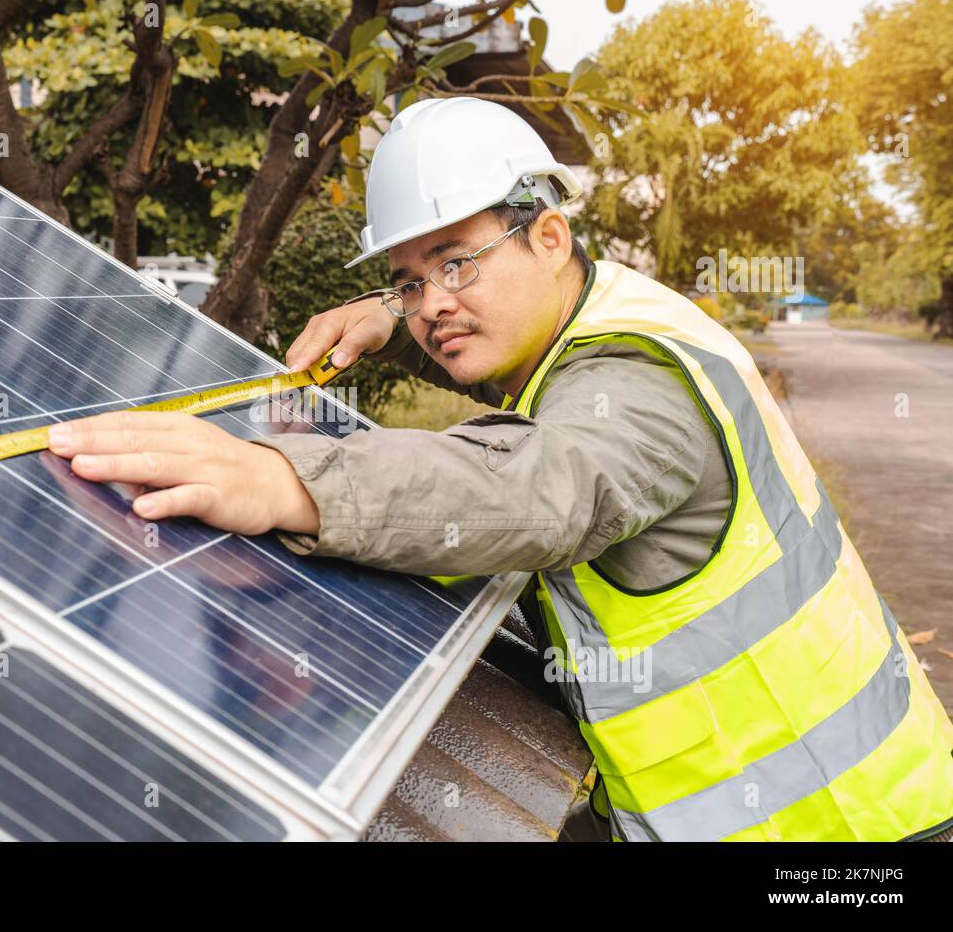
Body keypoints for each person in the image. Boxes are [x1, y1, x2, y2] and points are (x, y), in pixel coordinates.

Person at [47, 96, 953, 842]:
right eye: (409, 278)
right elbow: (488, 352)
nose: (433, 304)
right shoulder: (589, 319)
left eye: (456, 261)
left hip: (854, 832)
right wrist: (384, 313)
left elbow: (533, 486)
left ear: (550, 237)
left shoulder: (640, 384)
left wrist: (291, 482)